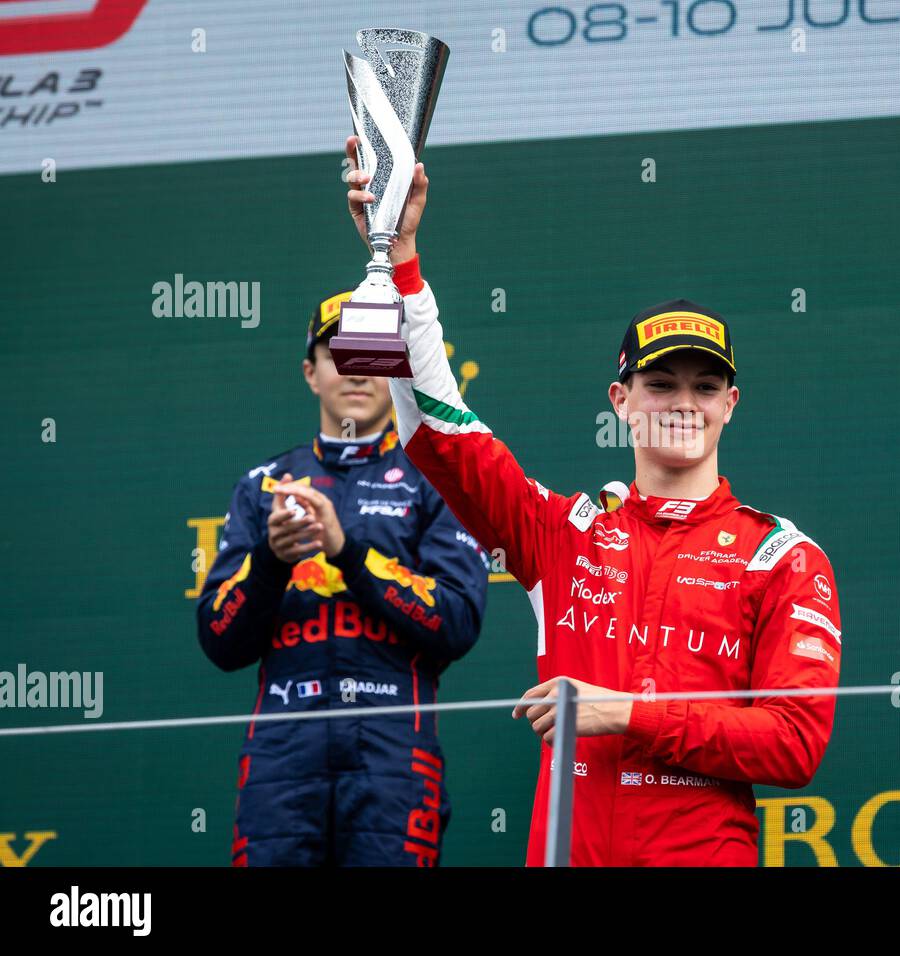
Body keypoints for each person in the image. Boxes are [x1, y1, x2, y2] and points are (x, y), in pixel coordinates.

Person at [343, 136, 842, 866]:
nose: (684, 403)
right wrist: (405, 260)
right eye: (660, 384)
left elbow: (795, 745)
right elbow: (438, 432)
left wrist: (627, 714)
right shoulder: (563, 532)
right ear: (622, 401)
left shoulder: (784, 558)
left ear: (730, 405)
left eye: (705, 387)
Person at [195, 287, 489, 866]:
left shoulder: (433, 480)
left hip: (393, 753)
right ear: (311, 372)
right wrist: (271, 560)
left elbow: (458, 621)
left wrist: (347, 552)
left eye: (370, 354)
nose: (355, 370)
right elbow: (218, 639)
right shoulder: (265, 486)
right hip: (280, 753)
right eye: (337, 354)